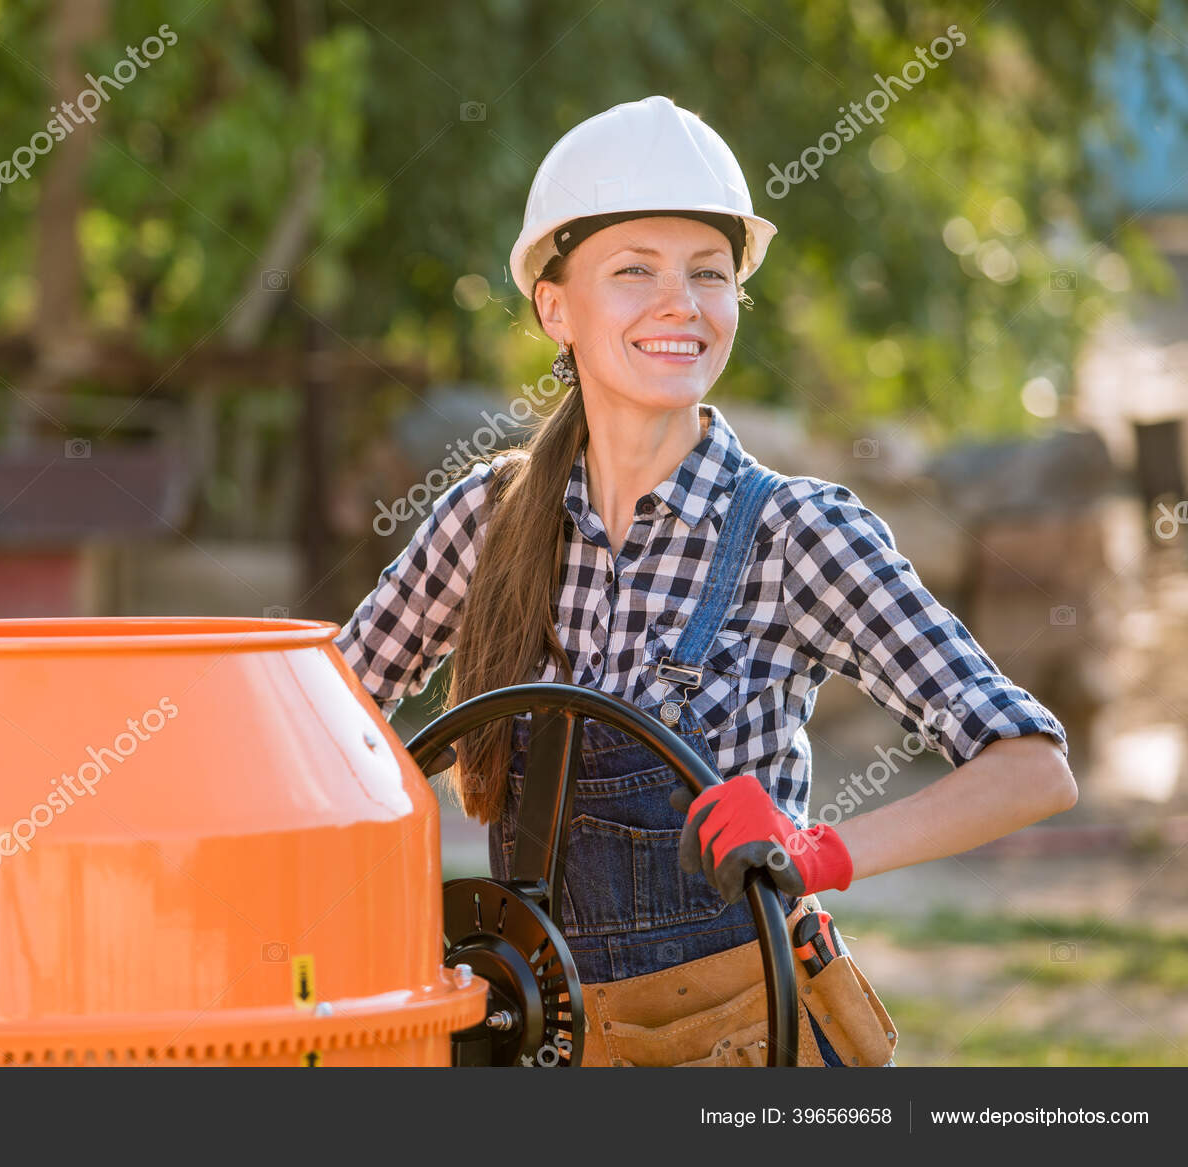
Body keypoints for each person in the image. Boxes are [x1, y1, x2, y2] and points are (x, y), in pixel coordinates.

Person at [333, 96, 1076, 1066]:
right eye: (633, 270)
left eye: (708, 274)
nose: (679, 302)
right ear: (555, 305)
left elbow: (1031, 768)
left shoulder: (795, 532)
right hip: (536, 1041)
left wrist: (821, 852)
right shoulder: (485, 522)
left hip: (741, 1037)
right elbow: (323, 725)